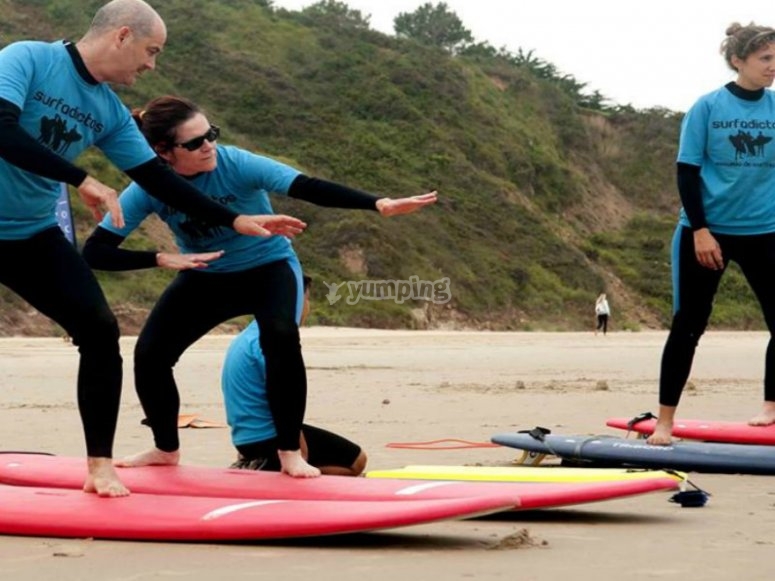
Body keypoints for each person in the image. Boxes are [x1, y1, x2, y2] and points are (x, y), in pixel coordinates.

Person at [0, 0, 304, 497]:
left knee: (99, 331)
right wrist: (83, 178)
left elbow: (159, 181)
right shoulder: (27, 58)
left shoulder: (111, 115)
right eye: (150, 51)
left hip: (28, 234)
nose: (151, 65)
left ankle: (100, 466)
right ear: (122, 36)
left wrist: (234, 218)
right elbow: (0, 128)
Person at [81, 94, 437, 477]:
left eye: (211, 134)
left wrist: (377, 204)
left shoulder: (235, 162)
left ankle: (289, 452)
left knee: (280, 337)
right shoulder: (149, 187)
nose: (209, 146)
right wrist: (159, 258)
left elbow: (305, 186)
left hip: (267, 268)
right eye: (195, 142)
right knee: (151, 355)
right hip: (207, 276)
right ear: (163, 152)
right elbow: (97, 252)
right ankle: (165, 448)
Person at [647, 22, 775, 445]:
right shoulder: (708, 107)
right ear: (737, 60)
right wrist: (701, 231)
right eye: (765, 59)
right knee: (688, 325)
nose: (773, 67)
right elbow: (687, 172)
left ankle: (770, 410)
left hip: (765, 231)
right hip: (707, 232)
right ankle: (665, 422)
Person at [224, 274, 367, 476]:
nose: (307, 307)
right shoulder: (271, 338)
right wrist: (297, 449)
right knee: (356, 463)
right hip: (267, 438)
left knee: (354, 457)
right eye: (306, 299)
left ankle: (258, 463)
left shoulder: (249, 334)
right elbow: (281, 398)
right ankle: (268, 467)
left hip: (244, 438)